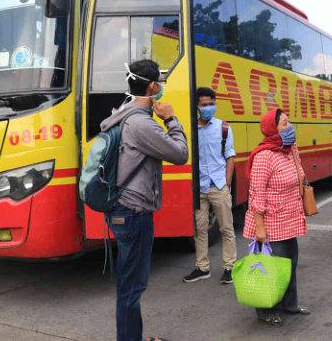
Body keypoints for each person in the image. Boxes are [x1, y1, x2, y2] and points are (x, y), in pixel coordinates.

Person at [100, 59, 189, 341]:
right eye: (159, 82)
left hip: (119, 208)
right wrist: (172, 119)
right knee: (132, 287)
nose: (161, 87)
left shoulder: (122, 115)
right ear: (152, 86)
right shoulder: (141, 123)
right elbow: (180, 154)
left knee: (129, 284)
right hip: (134, 213)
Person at [243, 108, 309, 328]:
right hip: (271, 223)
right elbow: (256, 194)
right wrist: (259, 228)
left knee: (290, 264)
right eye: (284, 123)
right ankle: (267, 309)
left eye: (289, 122)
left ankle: (290, 305)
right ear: (272, 129)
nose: (289, 127)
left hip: (290, 219)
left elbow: (300, 177)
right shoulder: (264, 156)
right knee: (272, 269)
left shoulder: (290, 150)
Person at [183, 87, 237, 284]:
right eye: (204, 105)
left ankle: (229, 267)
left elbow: (230, 156)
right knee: (200, 229)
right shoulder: (190, 129)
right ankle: (202, 267)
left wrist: (227, 184)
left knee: (226, 228)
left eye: (211, 104)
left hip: (218, 185)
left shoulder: (223, 127)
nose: (208, 108)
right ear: (197, 106)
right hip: (199, 187)